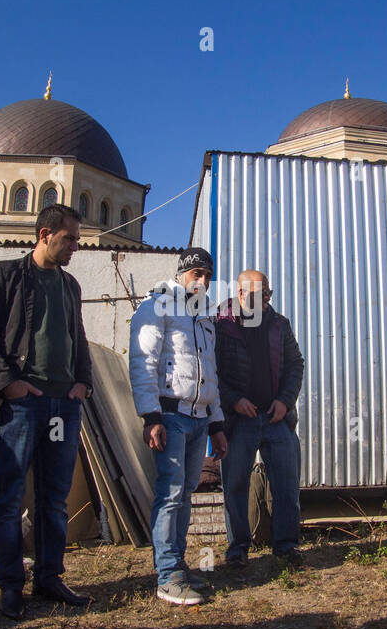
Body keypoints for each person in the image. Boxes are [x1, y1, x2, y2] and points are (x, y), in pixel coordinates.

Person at [0, 204, 94, 620]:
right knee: (7, 498)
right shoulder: (7, 275)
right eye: (69, 239)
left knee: (54, 498)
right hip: (21, 403)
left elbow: (79, 338)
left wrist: (83, 383)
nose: (76, 246)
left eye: (77, 239)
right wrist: (8, 384)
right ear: (45, 234)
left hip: (63, 405)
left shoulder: (70, 286)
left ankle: (49, 577)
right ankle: (10, 586)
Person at [130, 247, 228, 605]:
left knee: (184, 496)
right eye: (196, 273)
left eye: (207, 275)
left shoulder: (203, 317)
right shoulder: (157, 306)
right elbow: (142, 361)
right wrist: (151, 416)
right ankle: (167, 575)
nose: (202, 281)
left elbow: (210, 373)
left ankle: (179, 568)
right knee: (170, 496)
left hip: (199, 420)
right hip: (170, 417)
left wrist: (217, 424)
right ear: (181, 272)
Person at [215, 269, 305, 567]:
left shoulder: (280, 324)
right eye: (259, 294)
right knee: (235, 484)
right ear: (241, 294)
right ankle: (238, 549)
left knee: (286, 483)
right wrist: (234, 401)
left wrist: (285, 400)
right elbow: (211, 371)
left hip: (276, 417)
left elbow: (295, 364)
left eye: (268, 293)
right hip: (238, 420)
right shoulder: (220, 324)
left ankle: (286, 546)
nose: (266, 299)